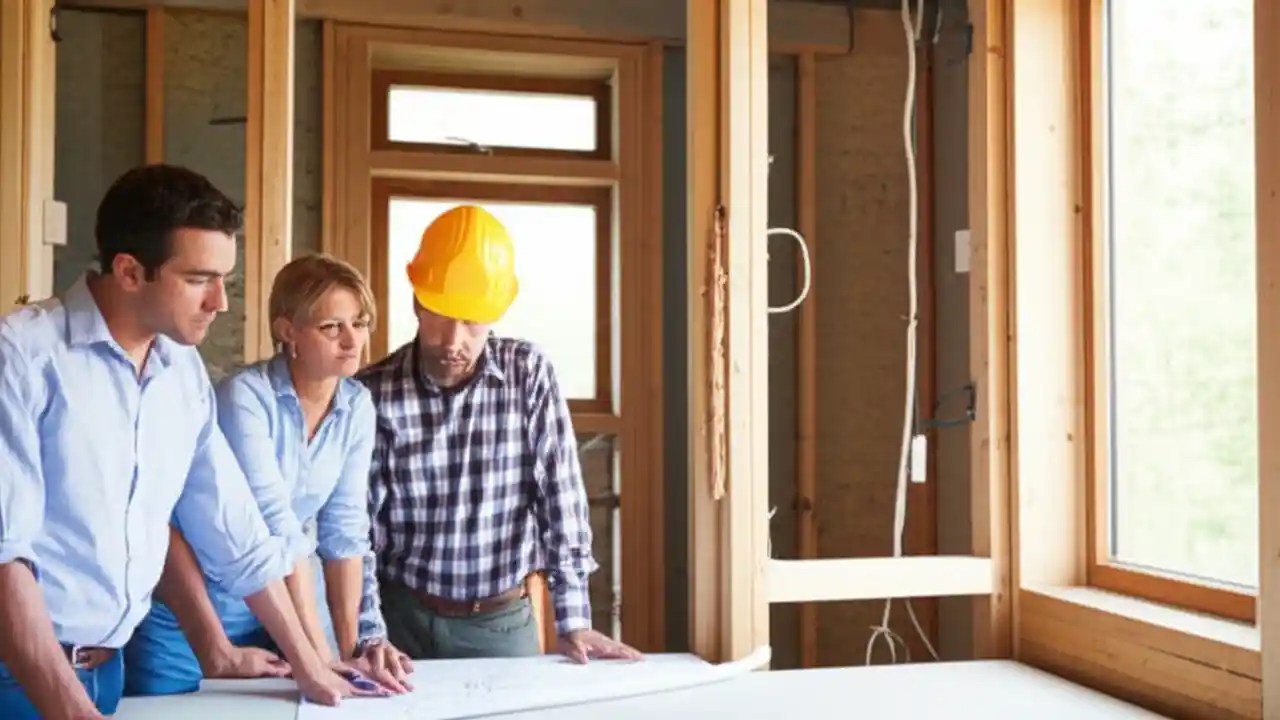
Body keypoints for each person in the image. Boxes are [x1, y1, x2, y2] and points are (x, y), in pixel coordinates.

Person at [0, 164, 373, 719]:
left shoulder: (182, 372)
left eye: (224, 278)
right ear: (129, 271)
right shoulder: (24, 357)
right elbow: (6, 558)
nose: (220, 302)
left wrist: (312, 665)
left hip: (107, 669)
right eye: (199, 279)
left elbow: (235, 531)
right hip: (20, 679)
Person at [357, 204, 642, 663]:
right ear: (417, 303)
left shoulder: (528, 373)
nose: (454, 341)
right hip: (399, 621)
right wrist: (368, 633)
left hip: (500, 622)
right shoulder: (372, 393)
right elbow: (356, 532)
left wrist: (575, 621)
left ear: (495, 314)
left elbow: (561, 501)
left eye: (471, 322)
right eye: (441, 316)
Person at [122, 254, 414, 696]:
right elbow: (277, 530)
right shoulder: (245, 398)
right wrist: (316, 657)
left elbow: (345, 532)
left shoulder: (357, 406)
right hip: (194, 616)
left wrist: (353, 653)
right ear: (287, 332)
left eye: (360, 322)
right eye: (332, 327)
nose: (353, 340)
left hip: (283, 613)